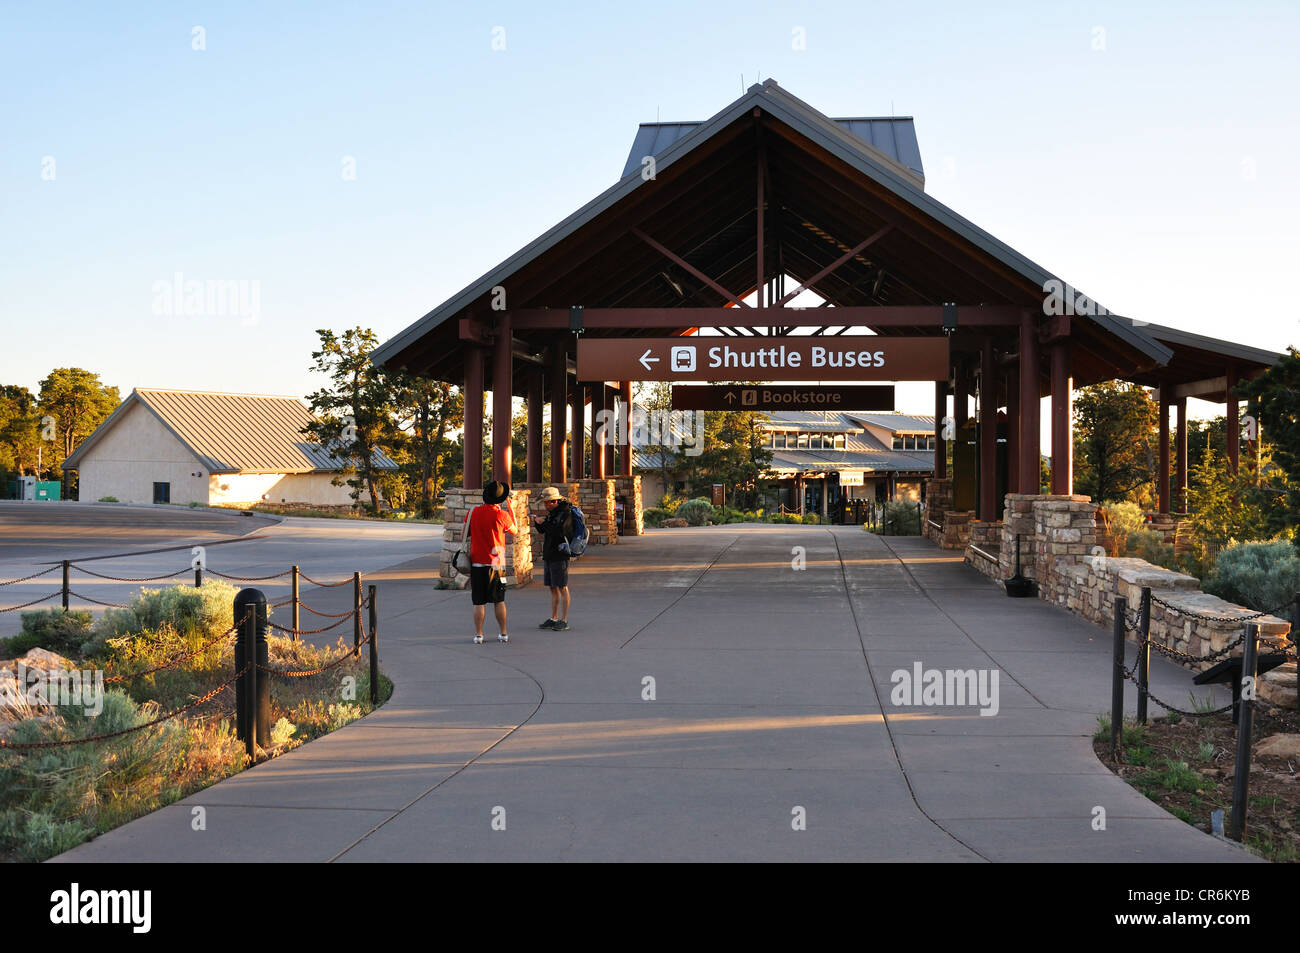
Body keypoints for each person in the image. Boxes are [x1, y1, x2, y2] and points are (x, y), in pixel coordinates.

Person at [464, 481, 516, 644]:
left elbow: (462, 534)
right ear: (500, 499)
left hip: (477, 563)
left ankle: (479, 635)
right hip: (497, 564)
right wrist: (511, 508)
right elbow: (514, 530)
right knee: (499, 600)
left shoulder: (473, 512)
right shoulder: (502, 515)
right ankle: (503, 633)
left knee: (478, 601)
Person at [532, 486, 575, 631]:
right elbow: (545, 530)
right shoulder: (553, 513)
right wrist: (538, 523)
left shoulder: (565, 513)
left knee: (562, 586)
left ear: (554, 501)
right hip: (550, 553)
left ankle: (564, 619)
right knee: (552, 586)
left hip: (560, 554)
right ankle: (554, 617)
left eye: (547, 502)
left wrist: (543, 523)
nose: (545, 505)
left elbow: (559, 532)